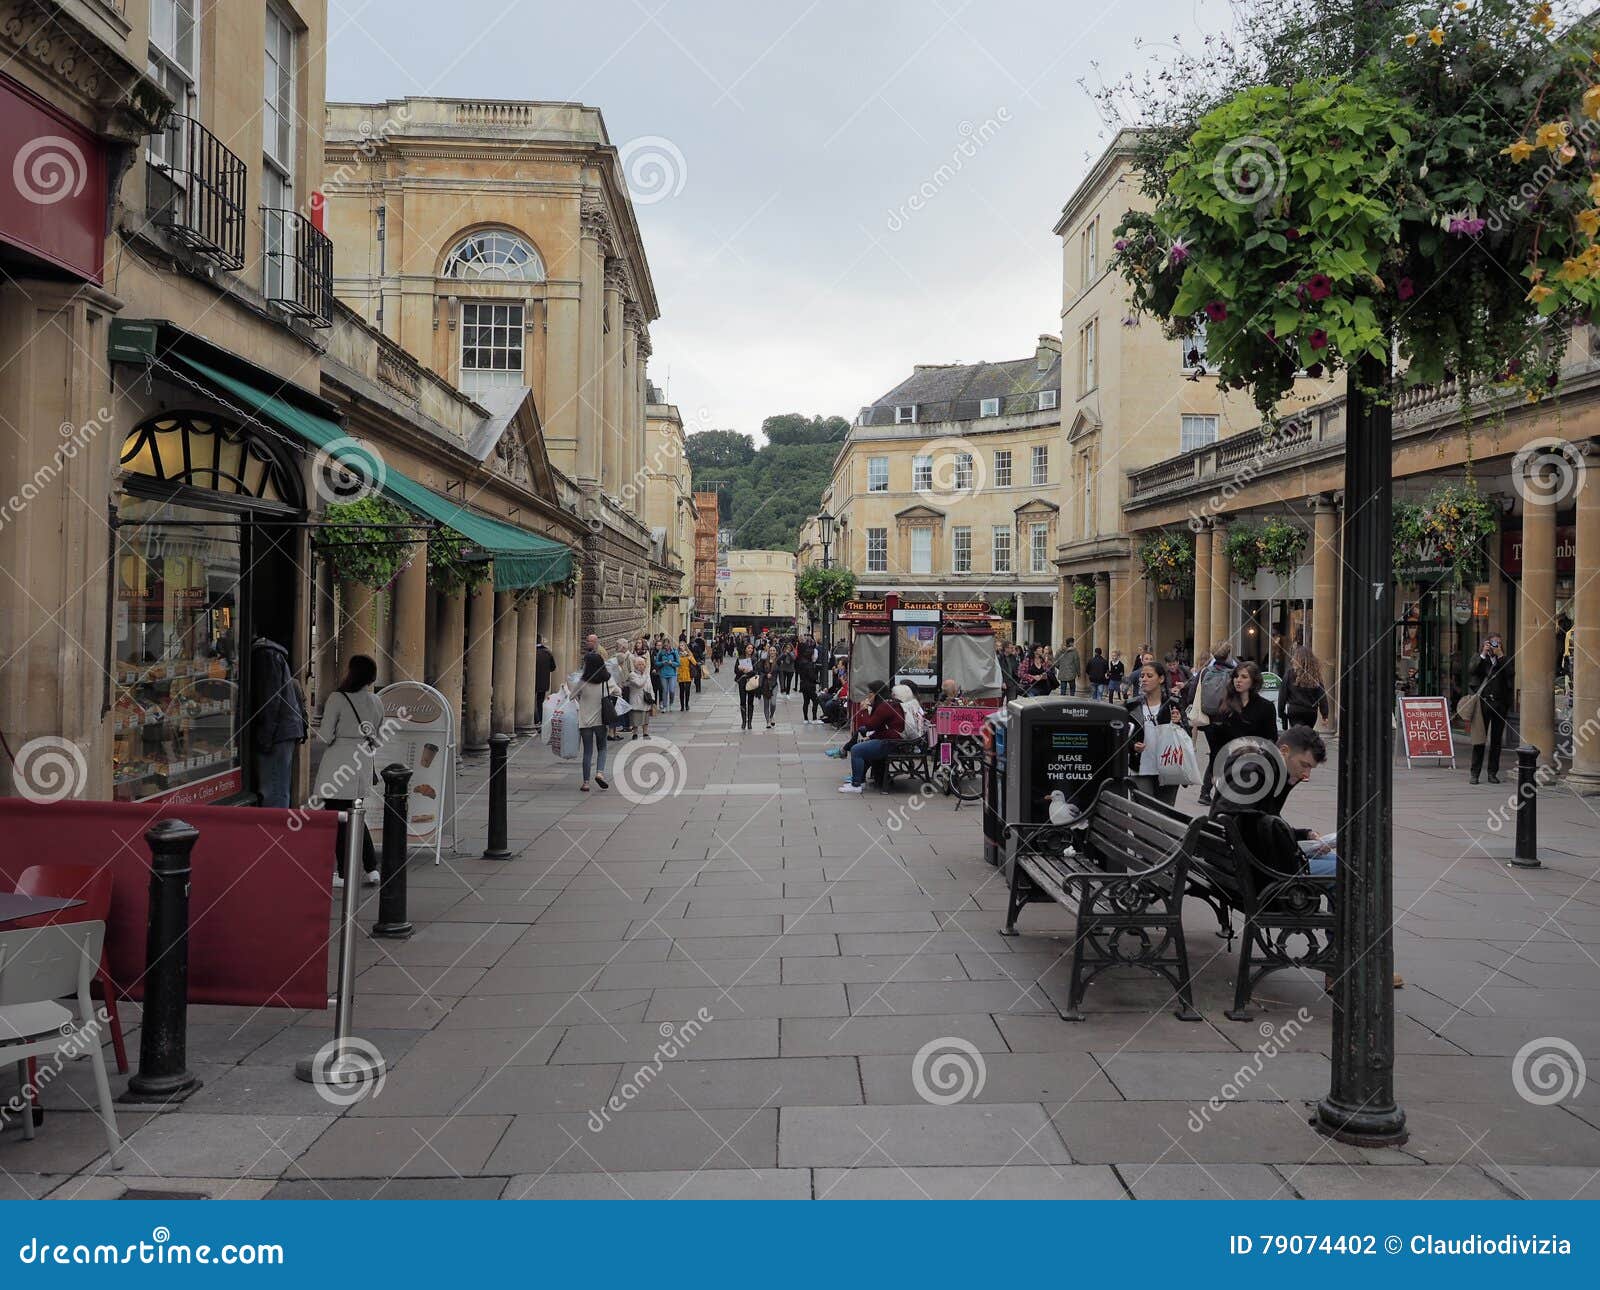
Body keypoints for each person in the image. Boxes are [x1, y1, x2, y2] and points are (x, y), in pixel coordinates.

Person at [315, 653, 382, 888]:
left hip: (337, 764)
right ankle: (371, 868)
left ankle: (344, 873)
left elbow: (325, 736)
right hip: (362, 762)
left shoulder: (337, 698)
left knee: (338, 819)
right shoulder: (376, 701)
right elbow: (378, 732)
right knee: (356, 816)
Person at [249, 634, 307, 808]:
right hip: (282, 730)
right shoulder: (269, 654)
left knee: (273, 790)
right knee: (276, 788)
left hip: (276, 733)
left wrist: (265, 738)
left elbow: (270, 700)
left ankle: (275, 832)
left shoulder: (264, 655)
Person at [1125, 661, 1189, 805]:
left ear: (1161, 679)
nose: (1144, 679)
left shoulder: (1173, 704)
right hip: (1140, 768)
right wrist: (1133, 746)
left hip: (1168, 768)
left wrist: (1178, 723)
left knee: (1164, 815)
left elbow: (1187, 737)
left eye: (1149, 676)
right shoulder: (1132, 705)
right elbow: (1122, 736)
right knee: (1143, 813)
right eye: (1142, 676)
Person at [1185, 642, 1238, 806]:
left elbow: (1192, 693)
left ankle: (1207, 792)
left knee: (1216, 754)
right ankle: (1210, 792)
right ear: (1228, 654)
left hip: (1208, 720)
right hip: (1226, 719)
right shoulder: (1234, 672)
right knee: (1222, 755)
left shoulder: (1205, 671)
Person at [839, 680, 905, 793]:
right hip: (895, 740)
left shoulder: (884, 706)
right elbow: (881, 728)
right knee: (863, 745)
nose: (868, 695)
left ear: (876, 693)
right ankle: (860, 781)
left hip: (890, 743)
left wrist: (864, 710)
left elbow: (869, 726)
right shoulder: (892, 703)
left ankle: (856, 785)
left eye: (870, 692)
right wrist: (870, 737)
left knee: (857, 750)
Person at [1468, 634, 1514, 784]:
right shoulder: (1479, 658)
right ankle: (1474, 773)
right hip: (1483, 704)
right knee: (1479, 740)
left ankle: (1492, 773)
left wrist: (1500, 656)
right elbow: (1472, 670)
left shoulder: (1504, 659)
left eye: (1498, 643)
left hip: (1499, 705)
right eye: (1493, 643)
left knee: (1496, 741)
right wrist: (1483, 653)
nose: (1495, 646)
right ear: (1485, 644)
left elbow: (1510, 674)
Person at [576, 644, 617, 791]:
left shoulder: (582, 682)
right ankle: (599, 773)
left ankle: (586, 783)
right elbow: (617, 691)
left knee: (587, 751)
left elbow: (571, 696)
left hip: (585, 720)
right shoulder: (606, 680)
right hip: (600, 720)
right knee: (602, 747)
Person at [1279, 645, 1331, 729]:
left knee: (1297, 735)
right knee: (1306, 735)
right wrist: (1325, 715)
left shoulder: (1290, 674)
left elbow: (1282, 695)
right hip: (1310, 713)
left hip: (1294, 711)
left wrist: (1281, 713)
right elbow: (1322, 696)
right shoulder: (1315, 676)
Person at [624, 653, 654, 739]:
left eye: (643, 664)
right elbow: (639, 684)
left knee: (646, 717)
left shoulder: (647, 675)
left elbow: (650, 686)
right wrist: (644, 675)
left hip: (646, 699)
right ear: (635, 665)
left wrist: (653, 697)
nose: (641, 666)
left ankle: (645, 732)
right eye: (639, 664)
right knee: (636, 718)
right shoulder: (632, 675)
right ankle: (635, 733)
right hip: (636, 699)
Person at [735, 644, 760, 730]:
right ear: (745, 649)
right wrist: (740, 669)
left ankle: (749, 722)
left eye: (751, 648)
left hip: (751, 682)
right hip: (742, 682)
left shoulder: (754, 659)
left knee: (750, 702)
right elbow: (735, 670)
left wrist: (750, 671)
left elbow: (757, 671)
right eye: (748, 648)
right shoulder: (740, 658)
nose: (750, 649)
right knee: (742, 701)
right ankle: (743, 721)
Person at [534, 636, 556, 732]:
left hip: (530, 682)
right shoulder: (547, 652)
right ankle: (540, 721)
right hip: (543, 682)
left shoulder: (531, 651)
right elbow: (553, 667)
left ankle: (535, 720)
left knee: (530, 702)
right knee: (540, 702)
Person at [654, 637, 680, 713]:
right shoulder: (661, 652)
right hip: (663, 674)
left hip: (672, 674)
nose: (666, 647)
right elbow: (657, 663)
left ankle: (671, 703)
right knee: (665, 690)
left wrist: (672, 663)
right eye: (664, 646)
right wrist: (662, 662)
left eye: (667, 645)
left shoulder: (674, 652)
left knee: (671, 690)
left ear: (669, 644)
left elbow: (678, 663)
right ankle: (664, 706)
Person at [798, 646, 821, 722]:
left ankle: (805, 718)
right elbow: (812, 676)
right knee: (815, 701)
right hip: (810, 685)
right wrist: (816, 679)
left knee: (806, 701)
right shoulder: (809, 664)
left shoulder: (802, 662)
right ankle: (814, 718)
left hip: (803, 684)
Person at [757, 648, 779, 728]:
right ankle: (768, 722)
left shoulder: (778, 661)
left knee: (773, 703)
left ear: (776, 652)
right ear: (768, 652)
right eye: (771, 650)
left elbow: (781, 673)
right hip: (765, 685)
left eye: (774, 650)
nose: (772, 652)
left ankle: (771, 716)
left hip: (774, 685)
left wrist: (783, 686)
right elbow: (759, 671)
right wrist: (766, 675)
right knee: (766, 704)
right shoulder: (764, 661)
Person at [676, 642, 697, 712]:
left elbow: (695, 663)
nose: (681, 647)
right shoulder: (677, 654)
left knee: (687, 691)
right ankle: (682, 706)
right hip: (680, 674)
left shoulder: (689, 654)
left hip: (688, 674)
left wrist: (688, 656)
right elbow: (676, 663)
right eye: (680, 645)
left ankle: (687, 704)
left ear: (685, 647)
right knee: (681, 691)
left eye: (682, 645)